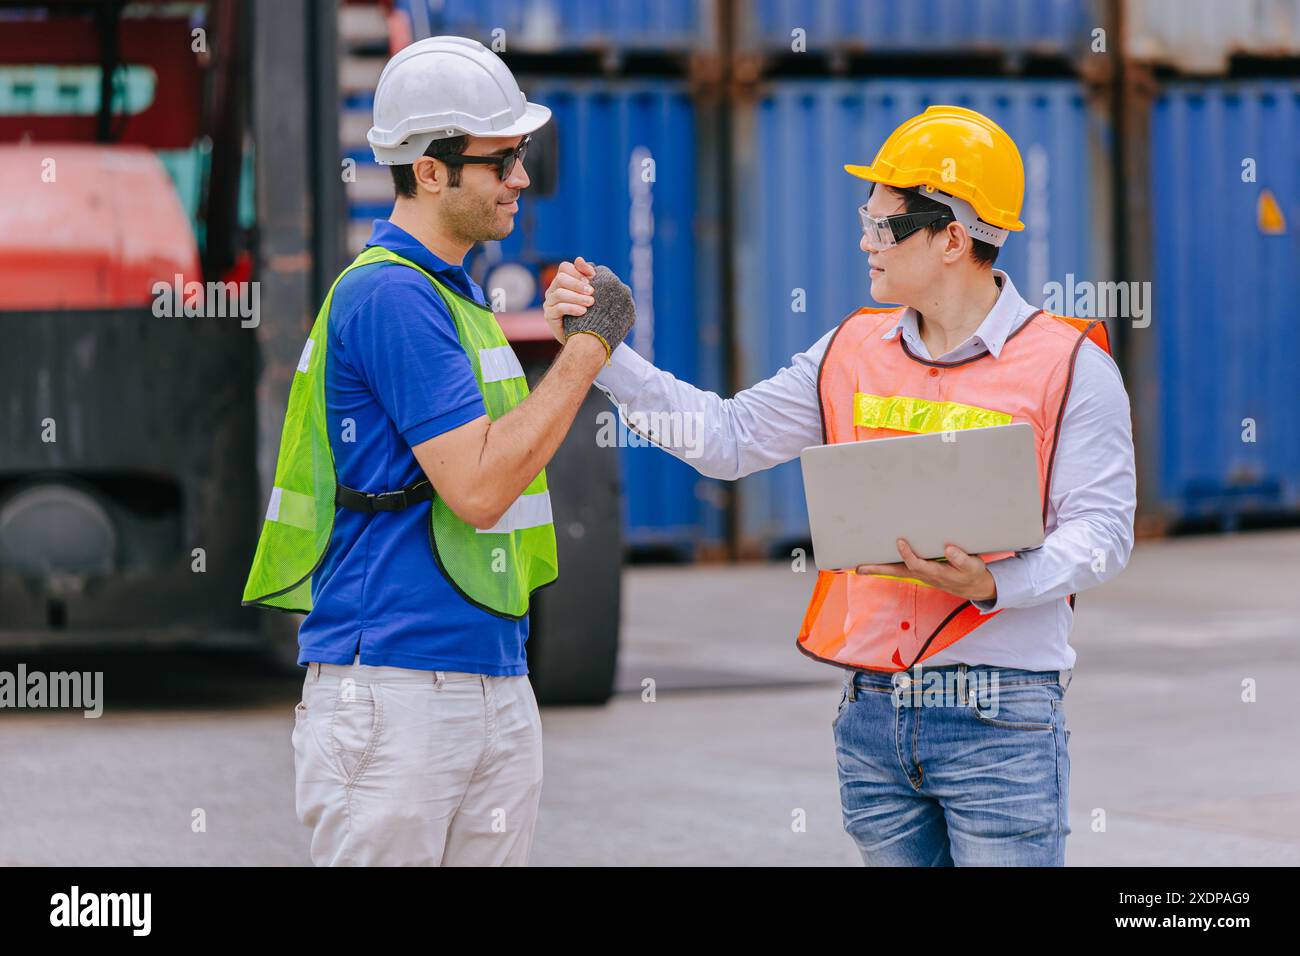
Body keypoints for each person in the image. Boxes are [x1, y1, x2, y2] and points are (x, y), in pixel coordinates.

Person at [546, 105, 1135, 866]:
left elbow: (1102, 532)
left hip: (1002, 714)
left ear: (953, 237)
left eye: (884, 225)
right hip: (873, 715)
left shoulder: (1072, 365)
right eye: (867, 217)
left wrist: (994, 582)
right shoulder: (849, 349)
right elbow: (727, 439)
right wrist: (604, 352)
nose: (865, 240)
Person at [242, 36, 634, 866]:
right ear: (429, 170)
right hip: (396, 691)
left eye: (521, 155)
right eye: (501, 160)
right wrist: (588, 354)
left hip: (483, 674)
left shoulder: (457, 300)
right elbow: (482, 488)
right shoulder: (390, 295)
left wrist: (568, 346)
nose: (522, 178)